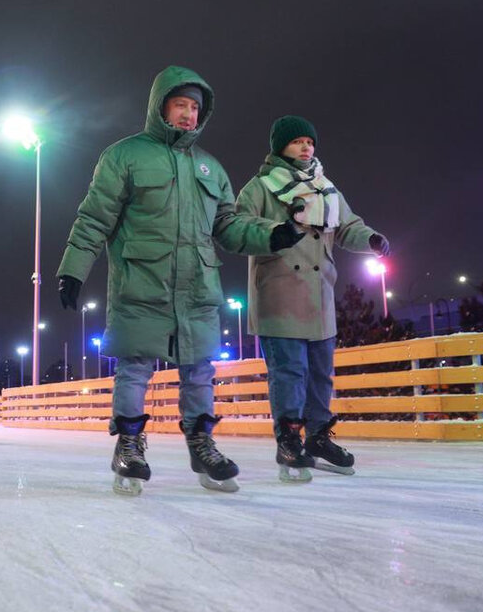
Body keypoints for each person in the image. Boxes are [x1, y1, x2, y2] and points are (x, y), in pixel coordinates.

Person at [57, 66, 303, 495]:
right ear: (160, 107)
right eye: (181, 105)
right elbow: (94, 218)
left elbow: (228, 225)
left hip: (197, 287)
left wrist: (271, 234)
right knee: (134, 368)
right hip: (141, 282)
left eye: (195, 108)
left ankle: (201, 443)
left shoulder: (210, 168)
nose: (189, 114)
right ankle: (129, 446)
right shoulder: (125, 156)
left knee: (200, 371)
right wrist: (73, 270)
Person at [236, 115, 390, 481]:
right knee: (289, 374)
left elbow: (348, 225)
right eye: (297, 142)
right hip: (279, 294)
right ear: (280, 147)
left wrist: (369, 239)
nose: (306, 147)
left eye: (310, 142)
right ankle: (289, 439)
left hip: (321, 298)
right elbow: (237, 225)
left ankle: (317, 437)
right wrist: (274, 232)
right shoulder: (260, 187)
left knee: (320, 375)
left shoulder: (326, 188)